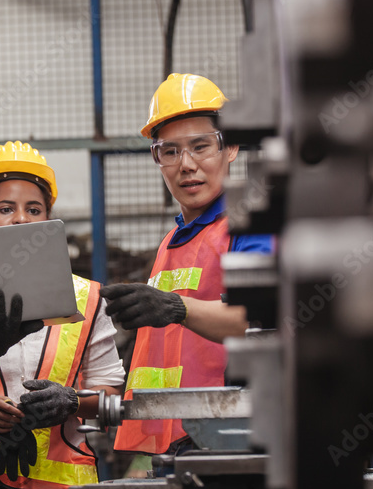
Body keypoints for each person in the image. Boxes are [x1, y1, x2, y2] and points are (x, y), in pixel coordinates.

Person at [101, 73, 274, 456]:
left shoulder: (250, 226)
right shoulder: (172, 243)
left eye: (201, 147)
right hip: (178, 442)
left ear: (231, 148)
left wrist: (176, 307)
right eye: (171, 151)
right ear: (156, 158)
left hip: (232, 437)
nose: (187, 165)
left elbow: (256, 317)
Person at [0, 142, 125, 489]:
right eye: (5, 208)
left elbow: (113, 393)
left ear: (48, 221)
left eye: (34, 209)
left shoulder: (89, 299)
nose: (21, 219)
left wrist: (72, 401)